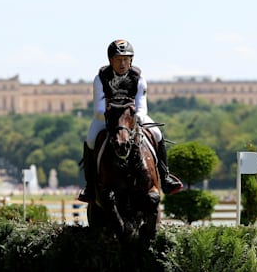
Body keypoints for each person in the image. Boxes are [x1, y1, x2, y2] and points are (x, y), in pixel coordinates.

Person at [78, 39, 183, 203]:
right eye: (118, 59)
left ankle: (165, 176)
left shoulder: (138, 78)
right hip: (107, 117)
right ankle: (90, 186)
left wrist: (132, 119)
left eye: (126, 59)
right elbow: (98, 108)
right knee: (90, 139)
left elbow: (142, 107)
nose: (122, 63)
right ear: (110, 60)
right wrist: (113, 117)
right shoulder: (100, 78)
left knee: (157, 133)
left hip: (132, 117)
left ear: (131, 60)